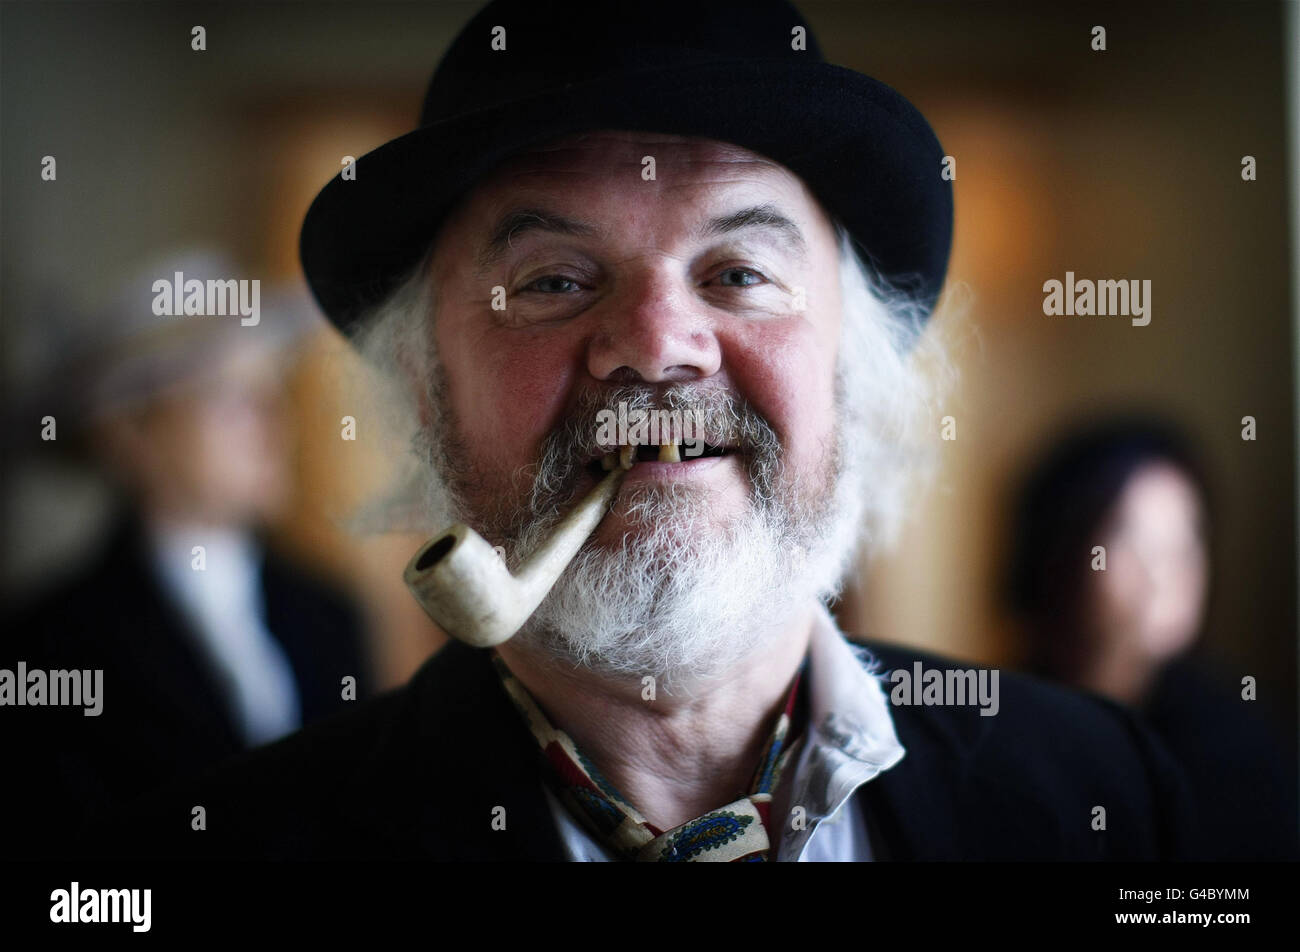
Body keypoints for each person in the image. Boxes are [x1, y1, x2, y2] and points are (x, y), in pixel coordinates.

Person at [88, 0, 1197, 862]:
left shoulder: (1110, 796)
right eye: (556, 279)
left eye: (739, 272)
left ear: (850, 378)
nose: (658, 343)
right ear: (429, 396)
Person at [2, 252, 372, 856]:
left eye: (272, 391)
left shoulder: (329, 614)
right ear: (131, 435)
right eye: (231, 396)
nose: (272, 421)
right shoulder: (42, 648)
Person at [1005, 417, 1298, 860]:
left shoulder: (1235, 748)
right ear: (1060, 553)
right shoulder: (1000, 723)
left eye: (1186, 539)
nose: (1167, 571)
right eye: (1133, 538)